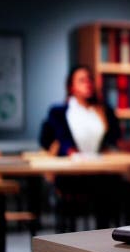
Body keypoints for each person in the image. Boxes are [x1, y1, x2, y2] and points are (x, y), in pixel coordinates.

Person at [39, 65, 124, 231]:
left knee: (117, 186)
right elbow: (58, 139)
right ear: (71, 87)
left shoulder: (103, 110)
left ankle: (108, 237)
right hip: (71, 172)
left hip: (98, 170)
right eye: (82, 80)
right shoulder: (59, 111)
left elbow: (115, 138)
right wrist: (72, 153)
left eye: (90, 80)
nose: (88, 84)